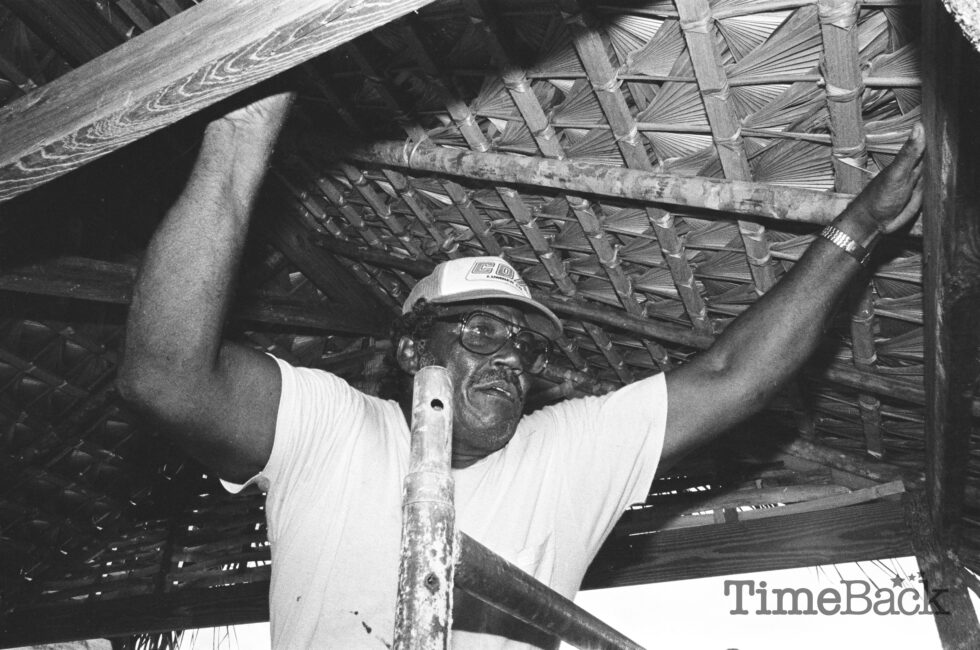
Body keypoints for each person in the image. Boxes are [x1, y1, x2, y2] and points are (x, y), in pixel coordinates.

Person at [117, 89, 924, 649]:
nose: (508, 356)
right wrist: (240, 134)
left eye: (523, 344)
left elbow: (734, 377)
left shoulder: (564, 456)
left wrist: (859, 225)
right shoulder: (332, 430)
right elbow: (165, 380)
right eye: (481, 331)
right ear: (411, 351)